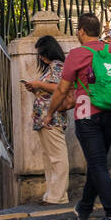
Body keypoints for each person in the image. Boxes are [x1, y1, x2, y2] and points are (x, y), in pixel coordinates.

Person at [38, 13, 111, 220]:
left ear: (81, 31)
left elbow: (63, 89)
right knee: (96, 161)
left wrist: (50, 113)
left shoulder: (77, 54)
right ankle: (84, 208)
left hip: (86, 115)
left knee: (97, 163)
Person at [22, 36, 70, 204]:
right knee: (50, 159)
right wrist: (35, 88)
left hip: (53, 118)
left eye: (41, 54)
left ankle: (58, 196)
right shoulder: (50, 68)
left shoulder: (57, 66)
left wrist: (39, 84)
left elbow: (59, 88)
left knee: (57, 158)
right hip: (45, 118)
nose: (40, 57)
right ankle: (52, 195)